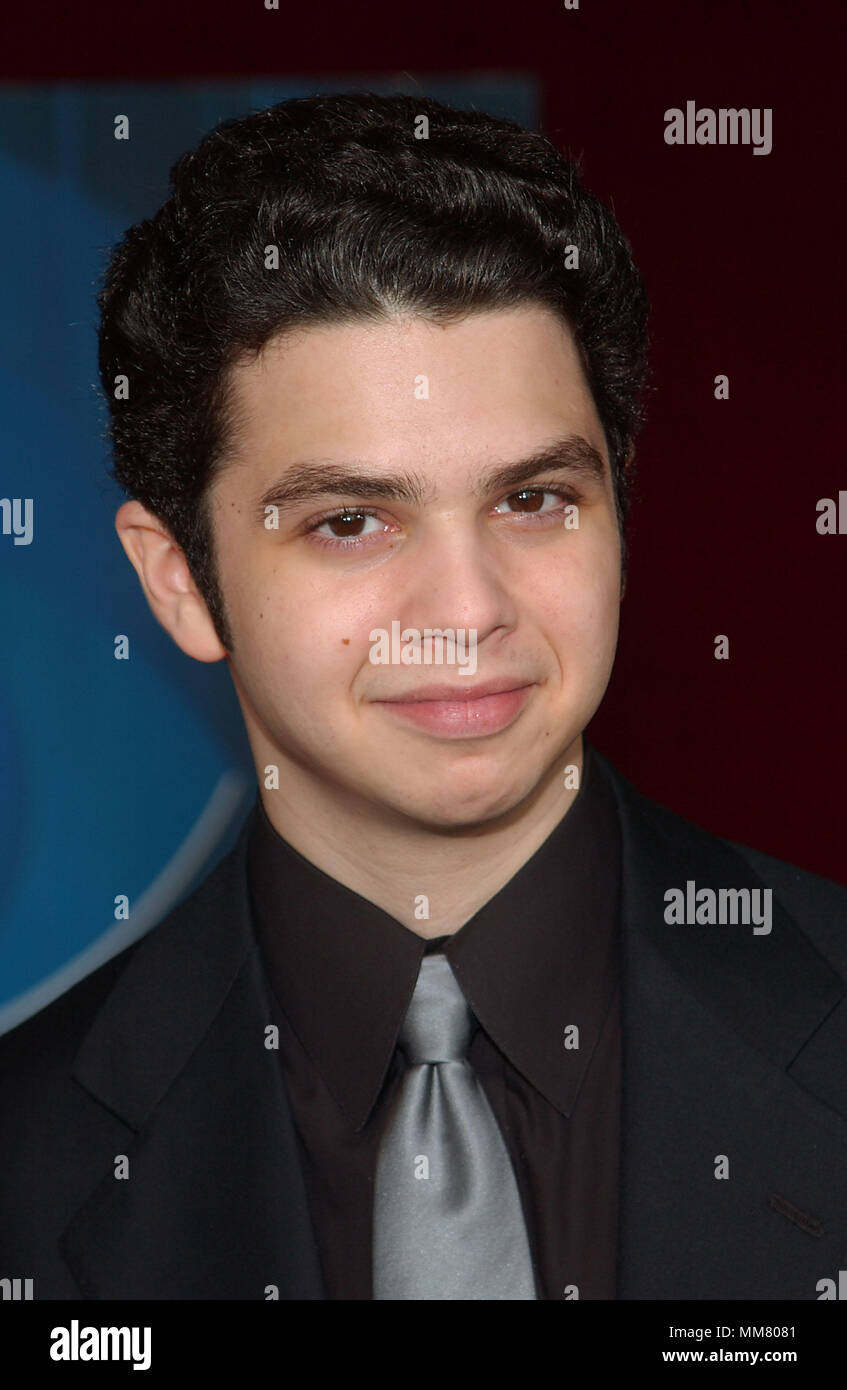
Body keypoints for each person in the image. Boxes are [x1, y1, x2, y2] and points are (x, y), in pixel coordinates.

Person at [1, 91, 845, 1302]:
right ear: (179, 582)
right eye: (352, 522)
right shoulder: (23, 1164)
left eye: (534, 499)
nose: (467, 607)